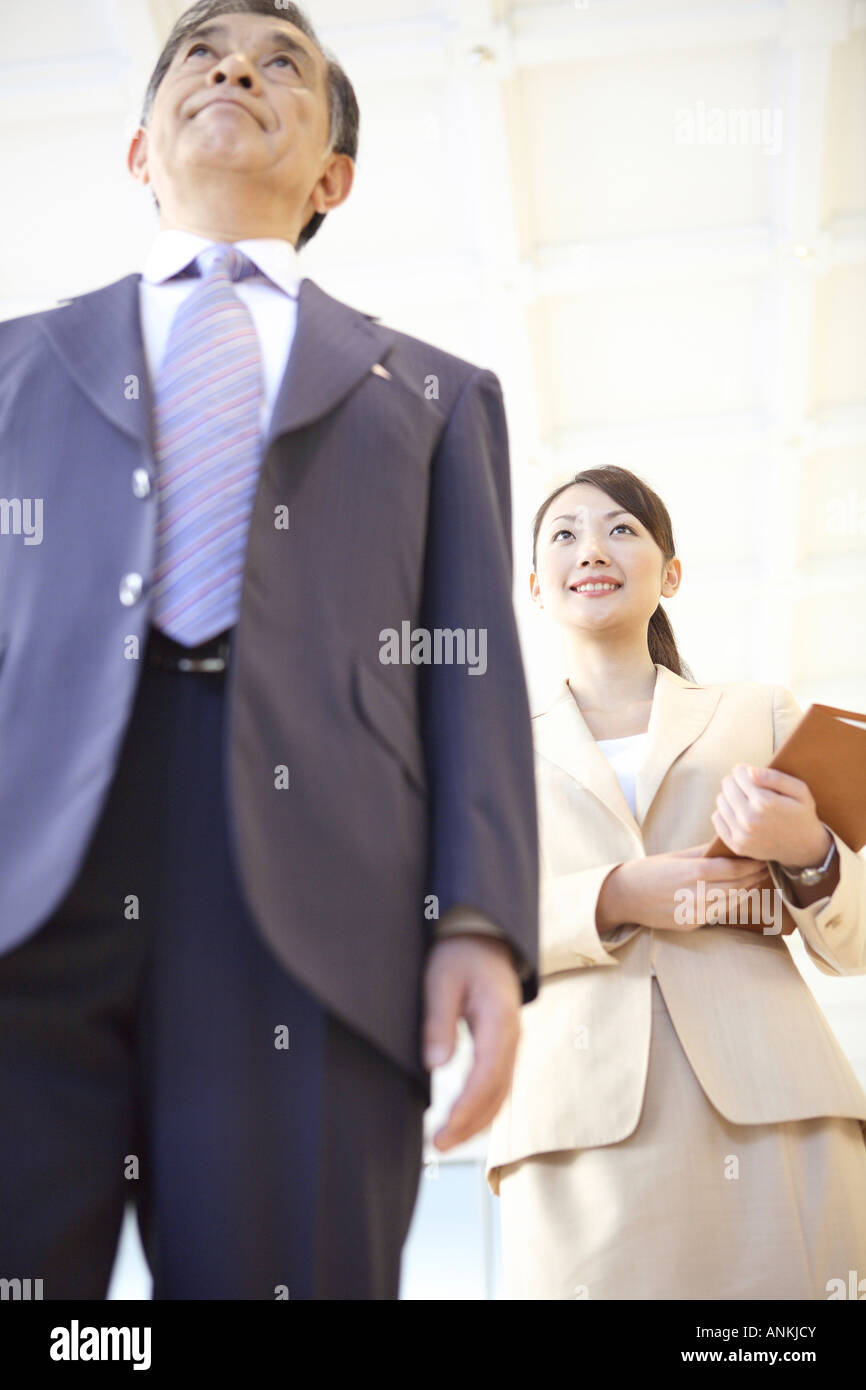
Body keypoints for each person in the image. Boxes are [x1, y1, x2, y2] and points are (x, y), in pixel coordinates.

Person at [0, 1, 538, 1300]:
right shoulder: (14, 366)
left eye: (280, 62)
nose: (233, 65)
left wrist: (475, 913)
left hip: (318, 893)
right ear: (141, 150)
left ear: (331, 176)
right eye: (200, 52)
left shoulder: (432, 395)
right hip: (25, 873)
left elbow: (467, 664)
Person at [485, 464, 866, 1300]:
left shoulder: (763, 713)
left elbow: (857, 940)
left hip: (777, 1106)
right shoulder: (486, 751)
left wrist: (807, 848)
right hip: (576, 1131)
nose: (593, 547)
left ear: (673, 573)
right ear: (537, 590)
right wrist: (616, 895)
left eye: (623, 528)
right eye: (565, 533)